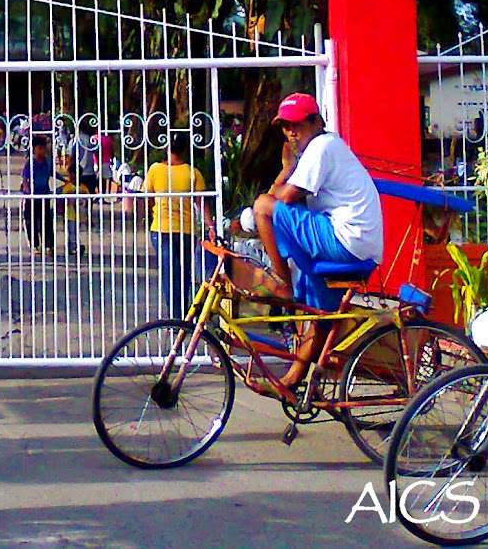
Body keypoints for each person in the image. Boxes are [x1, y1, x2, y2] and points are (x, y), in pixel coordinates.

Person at [228, 92, 383, 388]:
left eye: (297, 125)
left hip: (346, 238)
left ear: (316, 122)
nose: (291, 133)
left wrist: (253, 216)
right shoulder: (323, 148)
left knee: (263, 207)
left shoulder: (321, 147)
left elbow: (278, 200)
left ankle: (281, 281)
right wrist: (286, 170)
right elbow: (283, 197)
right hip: (351, 242)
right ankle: (292, 381)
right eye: (286, 127)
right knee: (318, 315)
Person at [142, 130, 209, 319]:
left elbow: (146, 197)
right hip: (186, 230)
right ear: (186, 149)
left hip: (161, 229)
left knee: (169, 273)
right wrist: (210, 226)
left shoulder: (155, 169)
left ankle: (176, 316)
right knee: (184, 273)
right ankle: (184, 314)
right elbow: (201, 202)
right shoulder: (192, 172)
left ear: (166, 147)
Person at [20, 136, 56, 254]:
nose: (42, 151)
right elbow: (24, 179)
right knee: (32, 220)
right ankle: (35, 244)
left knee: (46, 220)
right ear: (34, 149)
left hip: (44, 194)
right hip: (33, 196)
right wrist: (28, 192)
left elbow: (52, 173)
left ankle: (48, 245)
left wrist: (65, 181)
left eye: (43, 148)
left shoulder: (47, 161)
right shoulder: (30, 162)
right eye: (39, 148)